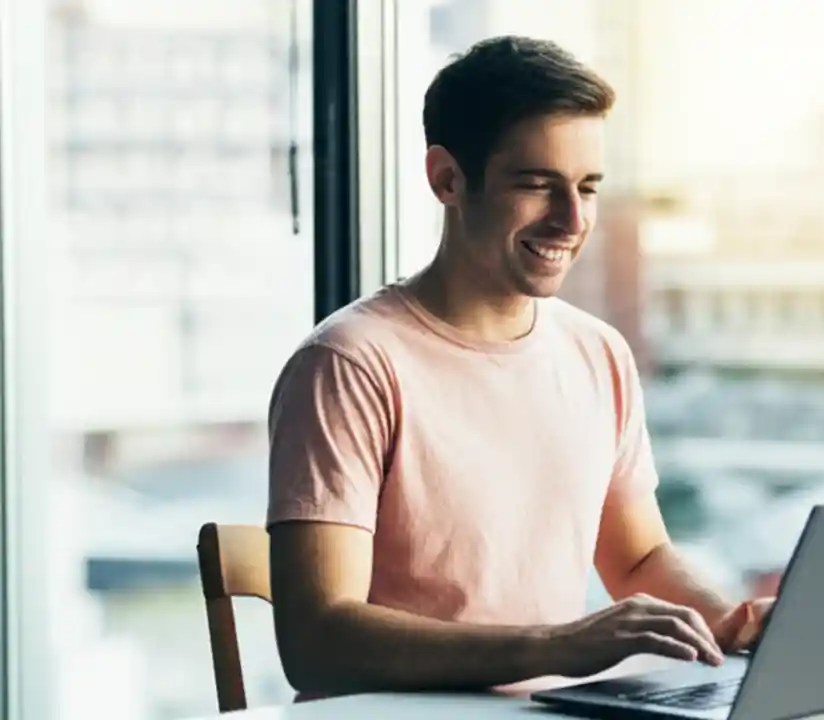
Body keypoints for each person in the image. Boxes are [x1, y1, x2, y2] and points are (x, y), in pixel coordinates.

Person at [266, 35, 772, 696]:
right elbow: (316, 643)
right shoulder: (349, 365)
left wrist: (729, 622)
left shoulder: (598, 354)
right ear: (447, 179)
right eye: (537, 185)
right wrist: (556, 647)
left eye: (587, 188)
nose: (570, 220)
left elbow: (640, 556)